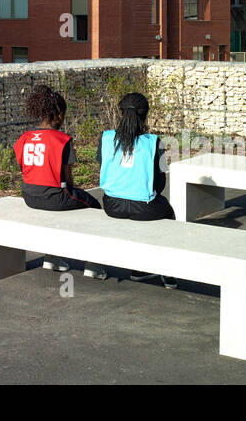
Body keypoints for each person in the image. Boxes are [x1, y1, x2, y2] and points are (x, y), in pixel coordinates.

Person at [13, 83, 102, 277]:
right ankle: (93, 264)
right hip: (54, 195)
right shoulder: (62, 139)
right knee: (94, 206)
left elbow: (26, 169)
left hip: (28, 194)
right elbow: (68, 179)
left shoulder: (24, 138)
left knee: (60, 208)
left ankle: (51, 257)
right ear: (59, 114)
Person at [97, 92, 177, 288]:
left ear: (120, 113)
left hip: (112, 204)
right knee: (168, 213)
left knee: (139, 214)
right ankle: (168, 272)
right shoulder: (153, 141)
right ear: (145, 114)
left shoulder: (106, 138)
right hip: (144, 207)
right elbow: (160, 183)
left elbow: (104, 165)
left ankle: (139, 267)